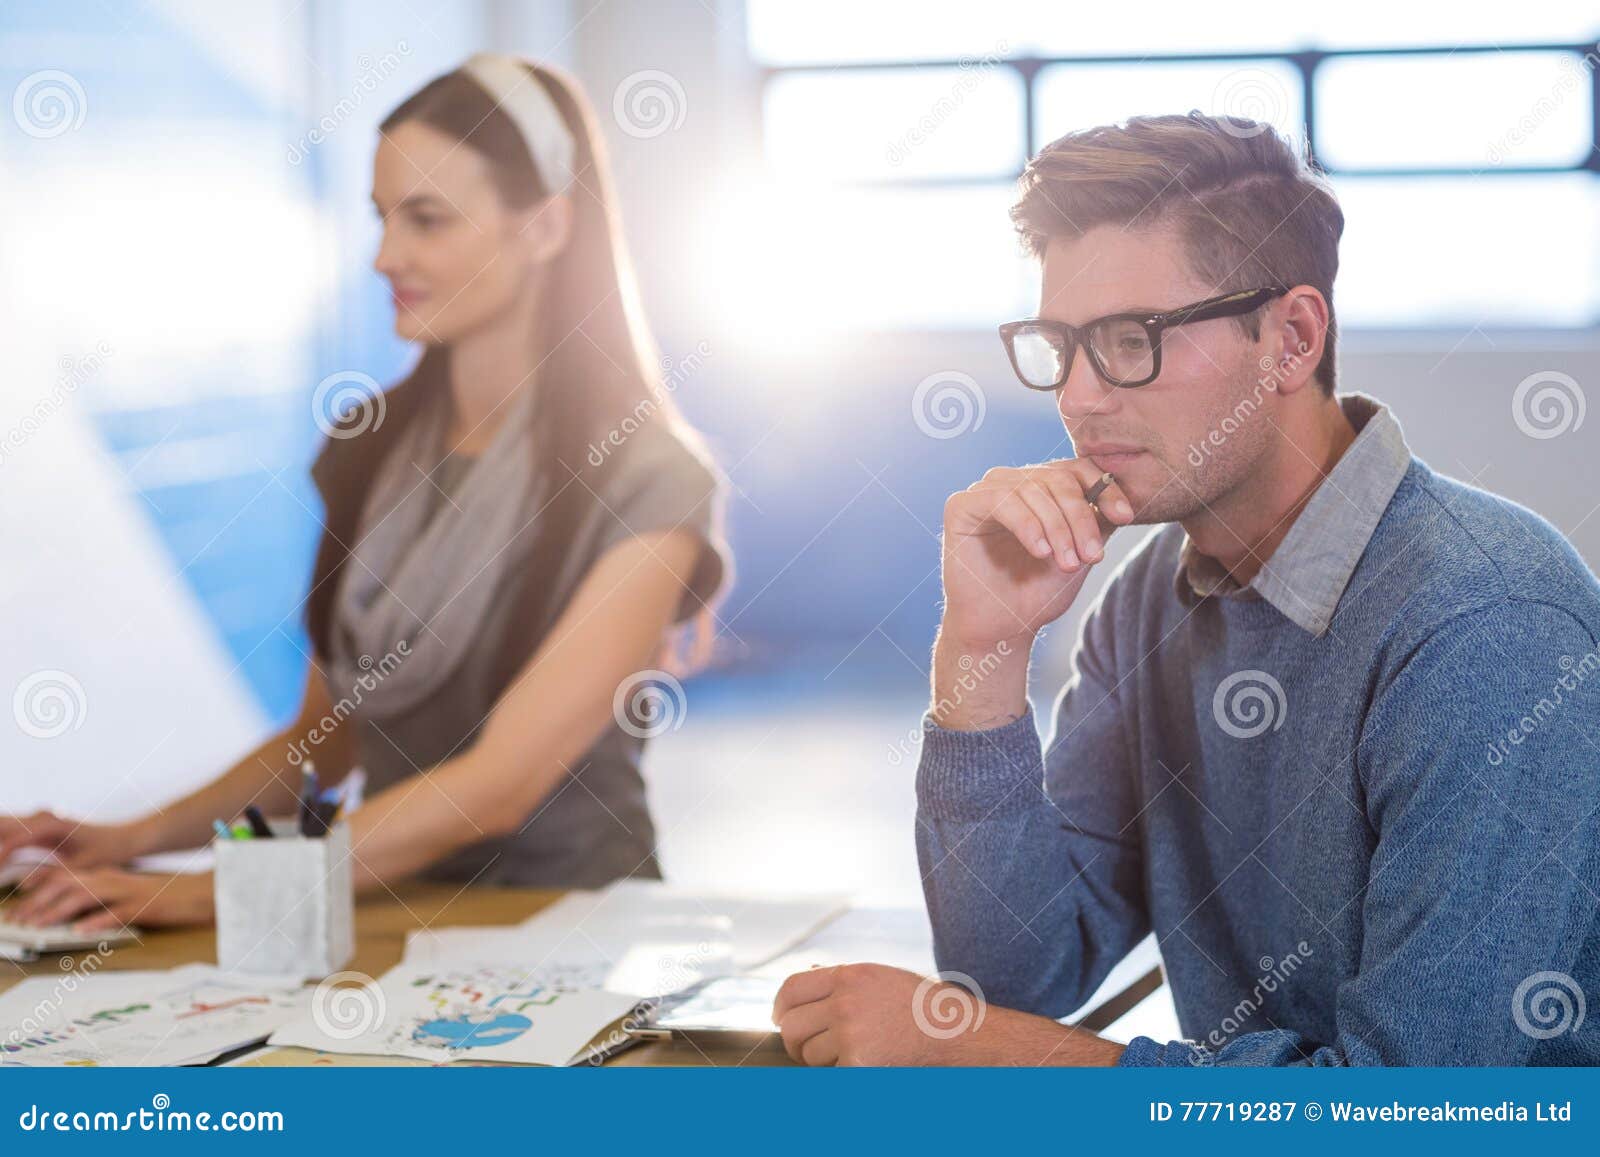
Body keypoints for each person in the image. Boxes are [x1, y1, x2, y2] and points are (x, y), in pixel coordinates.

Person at [774, 113, 1600, 1066]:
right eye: (1059, 343)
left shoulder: (1487, 627)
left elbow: (1406, 1114)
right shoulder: (1143, 605)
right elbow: (1019, 976)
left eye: (1132, 338)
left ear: (1291, 340)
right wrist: (984, 655)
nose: (1078, 396)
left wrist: (979, 1050)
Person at [1, 53, 731, 930]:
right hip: (396, 918)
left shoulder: (647, 477)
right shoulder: (366, 447)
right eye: (382, 218)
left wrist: (205, 892)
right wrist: (130, 839)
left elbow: (500, 785)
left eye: (427, 220)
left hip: (576, 931)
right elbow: (328, 741)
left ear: (544, 228)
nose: (387, 256)